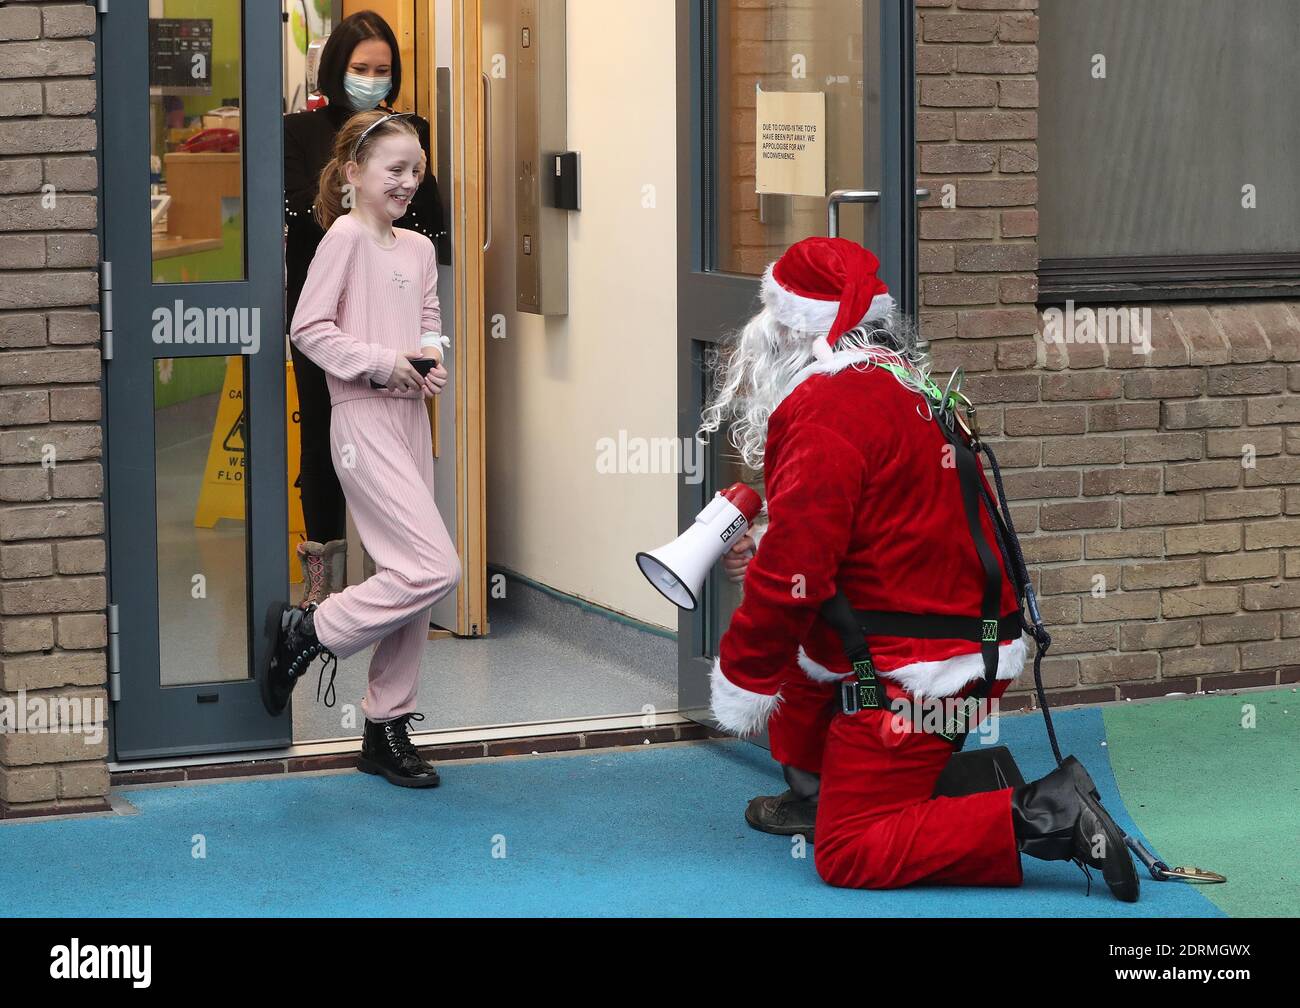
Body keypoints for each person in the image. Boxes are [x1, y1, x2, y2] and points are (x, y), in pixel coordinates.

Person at [699, 236, 1138, 900]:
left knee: (849, 854)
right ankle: (831, 792)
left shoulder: (822, 411)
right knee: (800, 645)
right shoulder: (900, 384)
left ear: (789, 331)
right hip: (964, 643)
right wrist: (769, 550)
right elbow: (878, 535)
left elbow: (800, 571)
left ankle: (1046, 813)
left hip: (924, 671)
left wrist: (743, 674)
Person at [262, 109, 461, 791]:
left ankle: (386, 727)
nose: (408, 181)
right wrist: (382, 362)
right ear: (352, 173)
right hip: (361, 416)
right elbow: (308, 329)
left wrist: (432, 359)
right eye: (394, 169)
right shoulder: (343, 235)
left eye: (417, 171)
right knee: (436, 567)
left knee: (408, 567)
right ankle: (313, 629)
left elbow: (432, 324)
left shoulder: (416, 249)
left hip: (411, 418)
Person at [284, 11, 444, 606]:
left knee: (404, 483)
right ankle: (322, 593)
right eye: (360, 69)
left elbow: (430, 220)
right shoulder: (300, 132)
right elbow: (297, 213)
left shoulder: (406, 132)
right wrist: (352, 214)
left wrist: (431, 352)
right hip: (325, 310)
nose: (372, 79)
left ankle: (393, 588)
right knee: (322, 445)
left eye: (383, 70)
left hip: (395, 329)